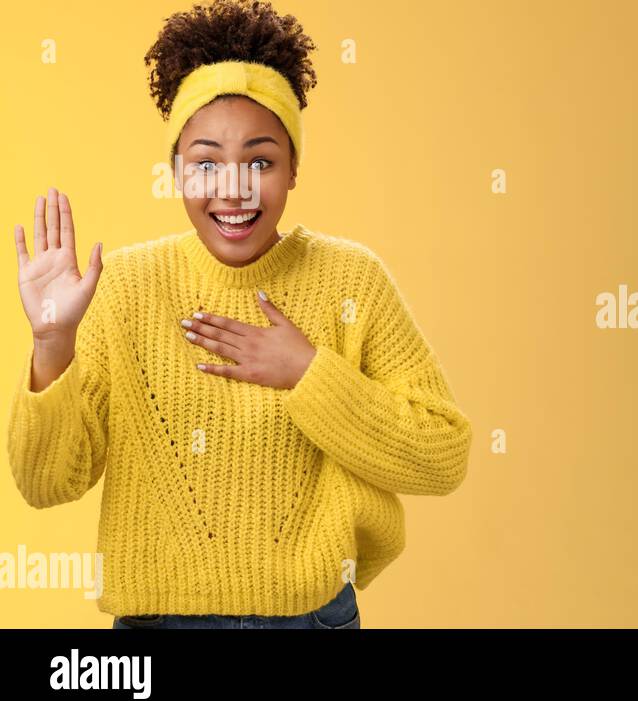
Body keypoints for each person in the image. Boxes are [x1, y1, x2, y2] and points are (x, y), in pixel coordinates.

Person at [8, 0, 472, 629]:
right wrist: (52, 343)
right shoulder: (125, 287)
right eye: (206, 162)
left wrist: (309, 373)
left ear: (293, 169)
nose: (235, 188)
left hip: (311, 619)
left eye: (260, 160)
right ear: (175, 173)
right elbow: (48, 486)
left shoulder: (351, 279)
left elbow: (442, 454)